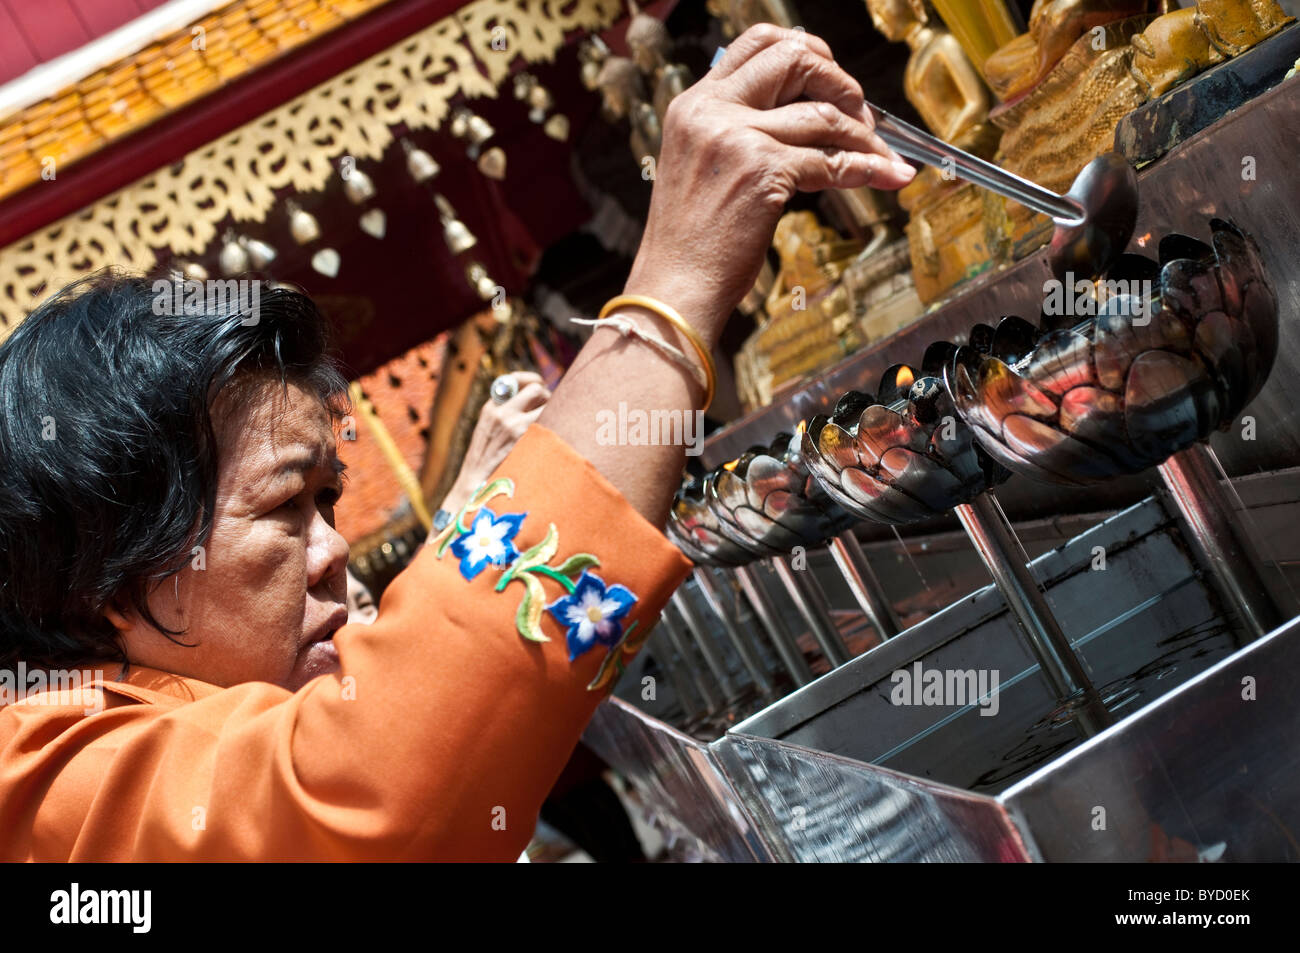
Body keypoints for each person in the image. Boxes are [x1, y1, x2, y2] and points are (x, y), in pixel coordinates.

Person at [0, 25, 914, 861]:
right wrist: (673, 282)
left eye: (324, 502)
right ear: (108, 572)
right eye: (282, 507)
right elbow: (366, 793)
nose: (332, 552)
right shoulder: (35, 766)